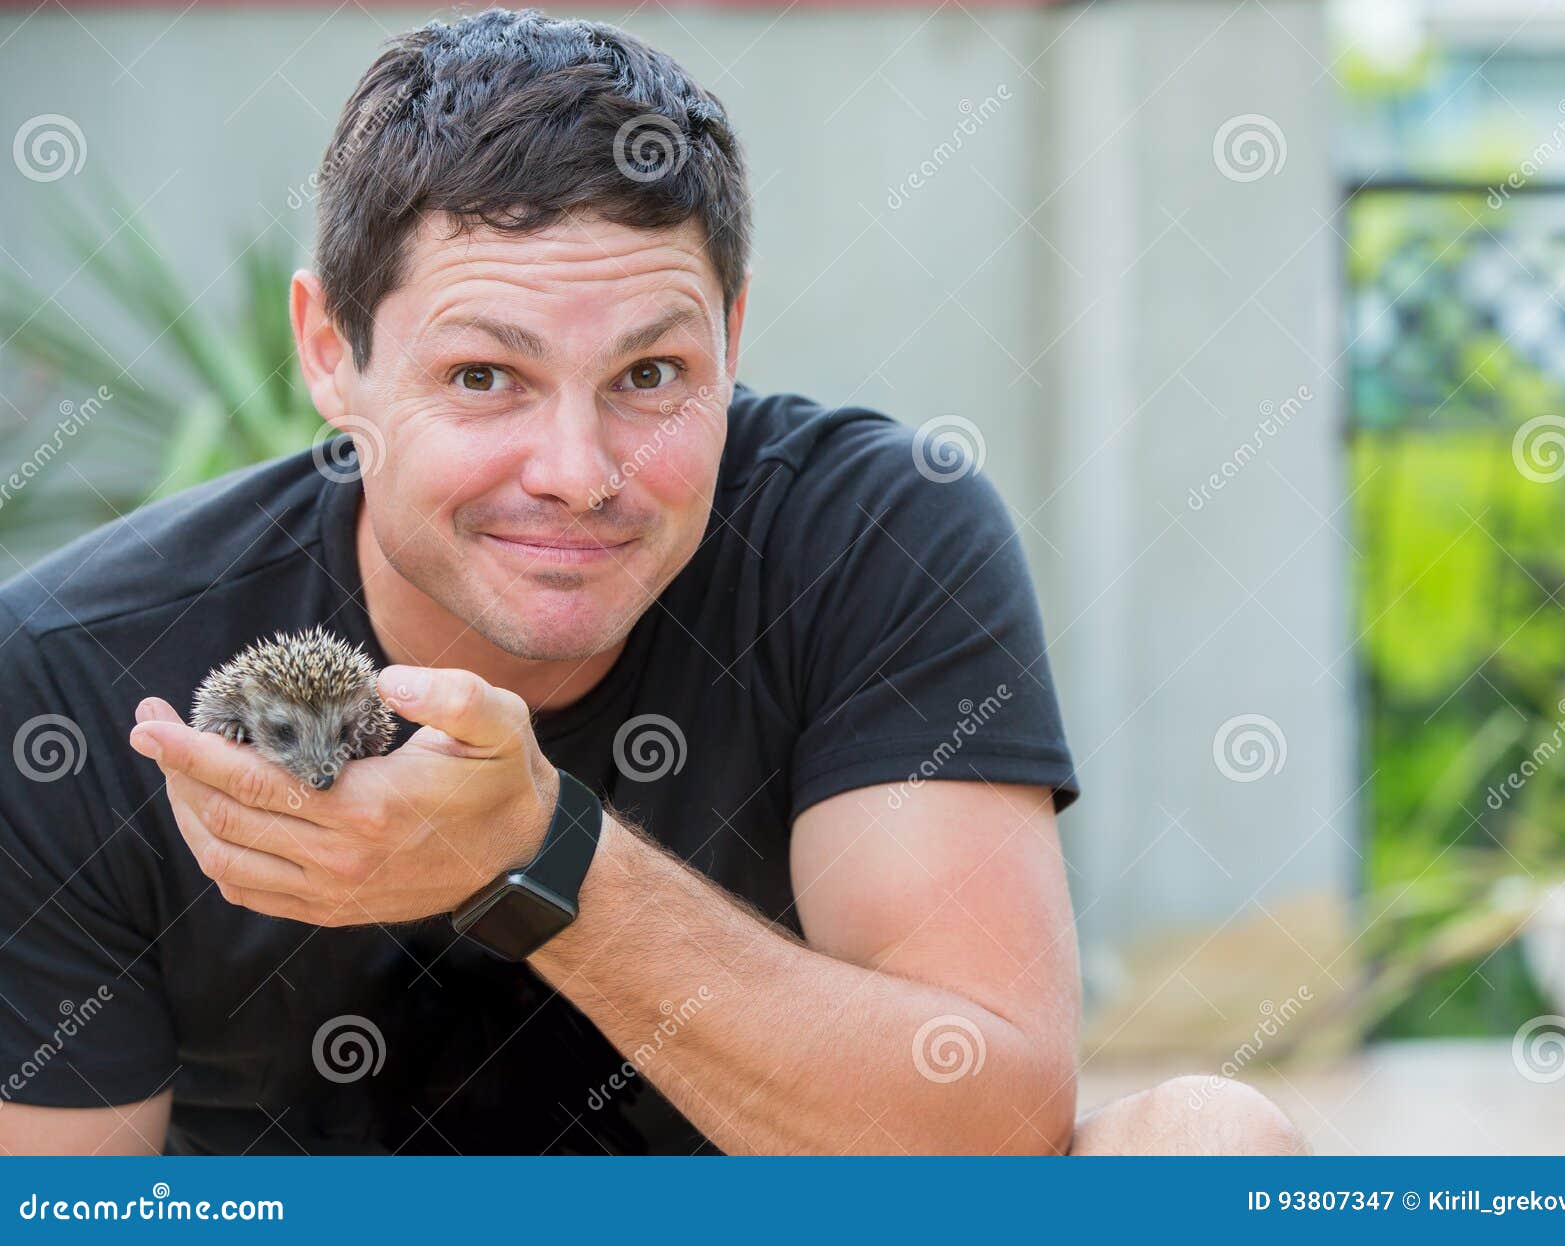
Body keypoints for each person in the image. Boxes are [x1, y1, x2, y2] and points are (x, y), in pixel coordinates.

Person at [0, 6, 1305, 1156]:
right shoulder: (79, 666)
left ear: (731, 340)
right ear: (332, 352)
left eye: (648, 377)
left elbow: (986, 1136)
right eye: (483, 376)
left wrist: (542, 856)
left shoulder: (875, 539)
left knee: (1209, 1142)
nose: (578, 472)